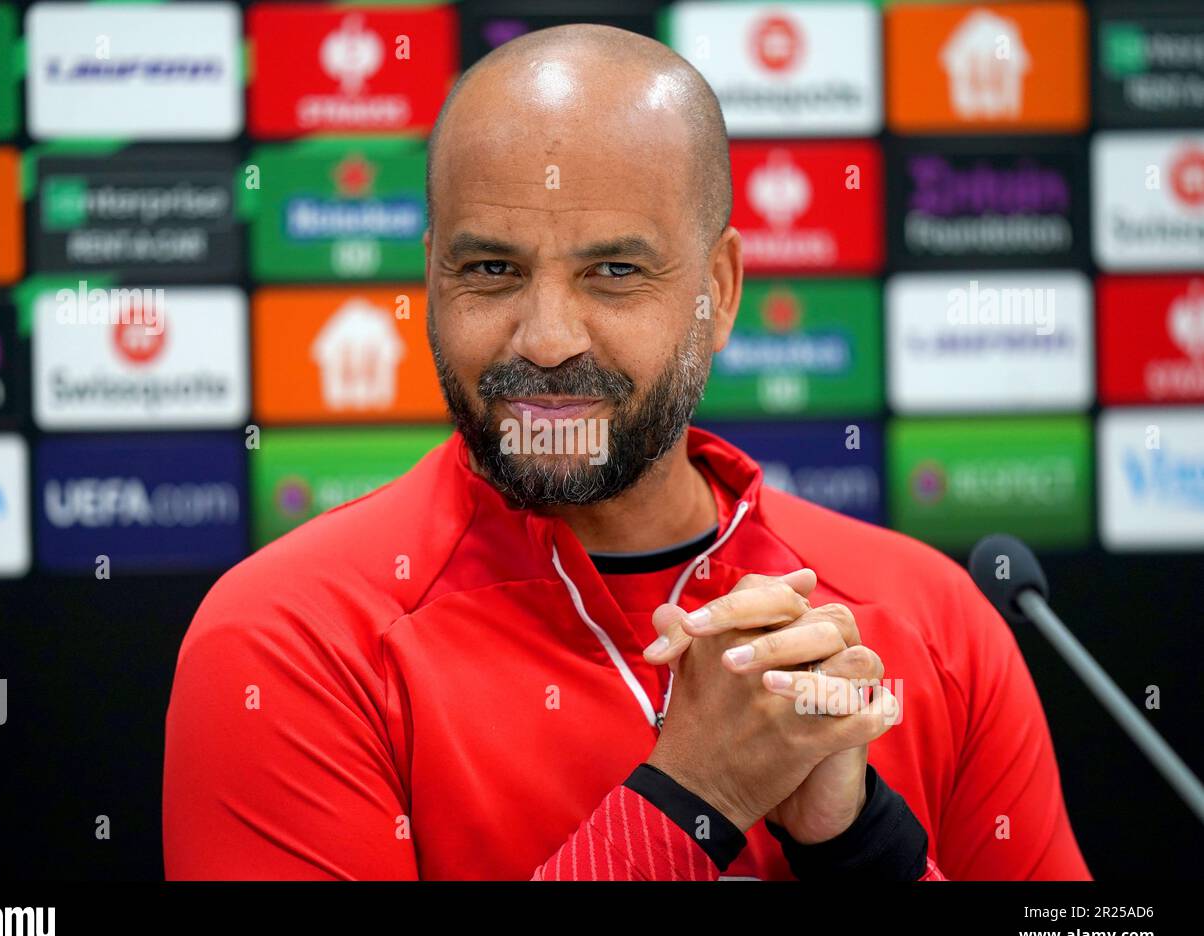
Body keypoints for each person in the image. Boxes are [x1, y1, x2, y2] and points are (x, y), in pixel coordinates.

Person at [162, 24, 1091, 881]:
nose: (549, 338)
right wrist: (698, 798)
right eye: (492, 270)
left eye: (614, 272)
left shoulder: (934, 619)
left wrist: (859, 846)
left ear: (720, 293)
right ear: (431, 279)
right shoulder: (287, 639)